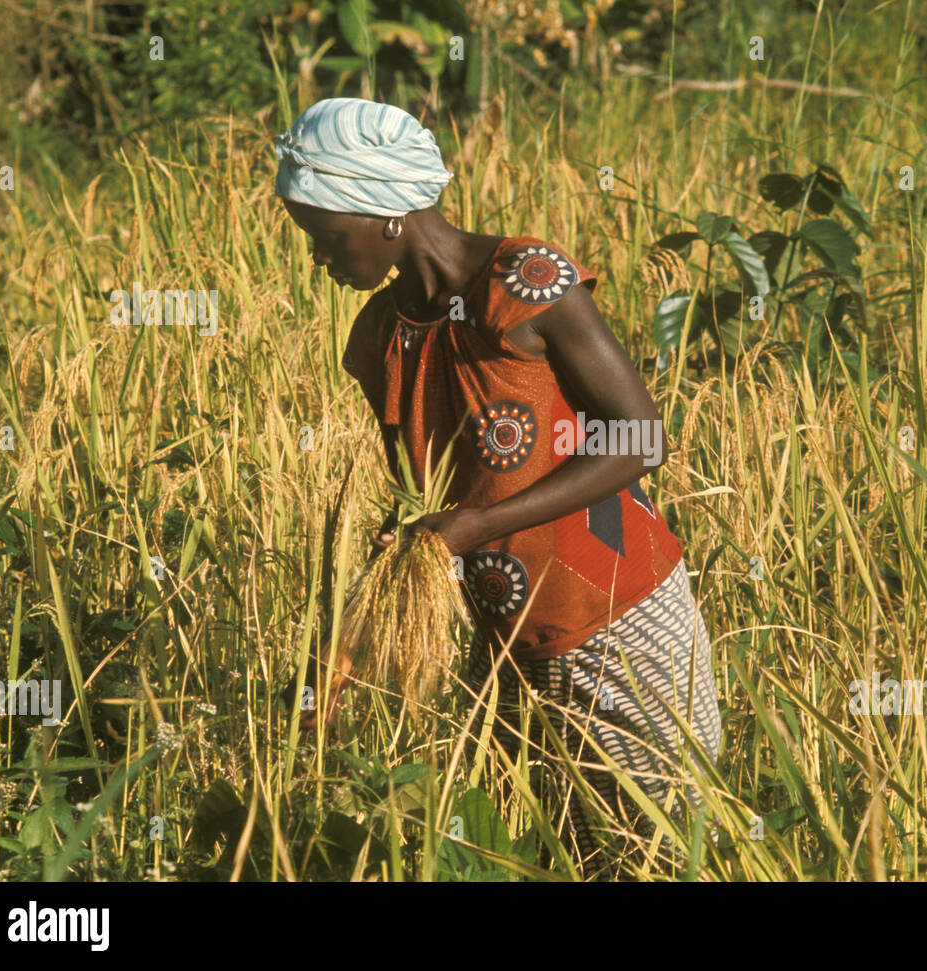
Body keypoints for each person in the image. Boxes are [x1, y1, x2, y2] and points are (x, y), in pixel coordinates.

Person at [273, 97, 721, 872]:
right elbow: (428, 497)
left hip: (614, 611)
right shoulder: (380, 335)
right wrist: (341, 648)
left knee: (651, 851)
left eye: (322, 233)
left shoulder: (527, 283)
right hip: (503, 632)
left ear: (382, 214)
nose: (315, 256)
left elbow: (642, 439)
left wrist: (474, 526)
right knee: (543, 852)